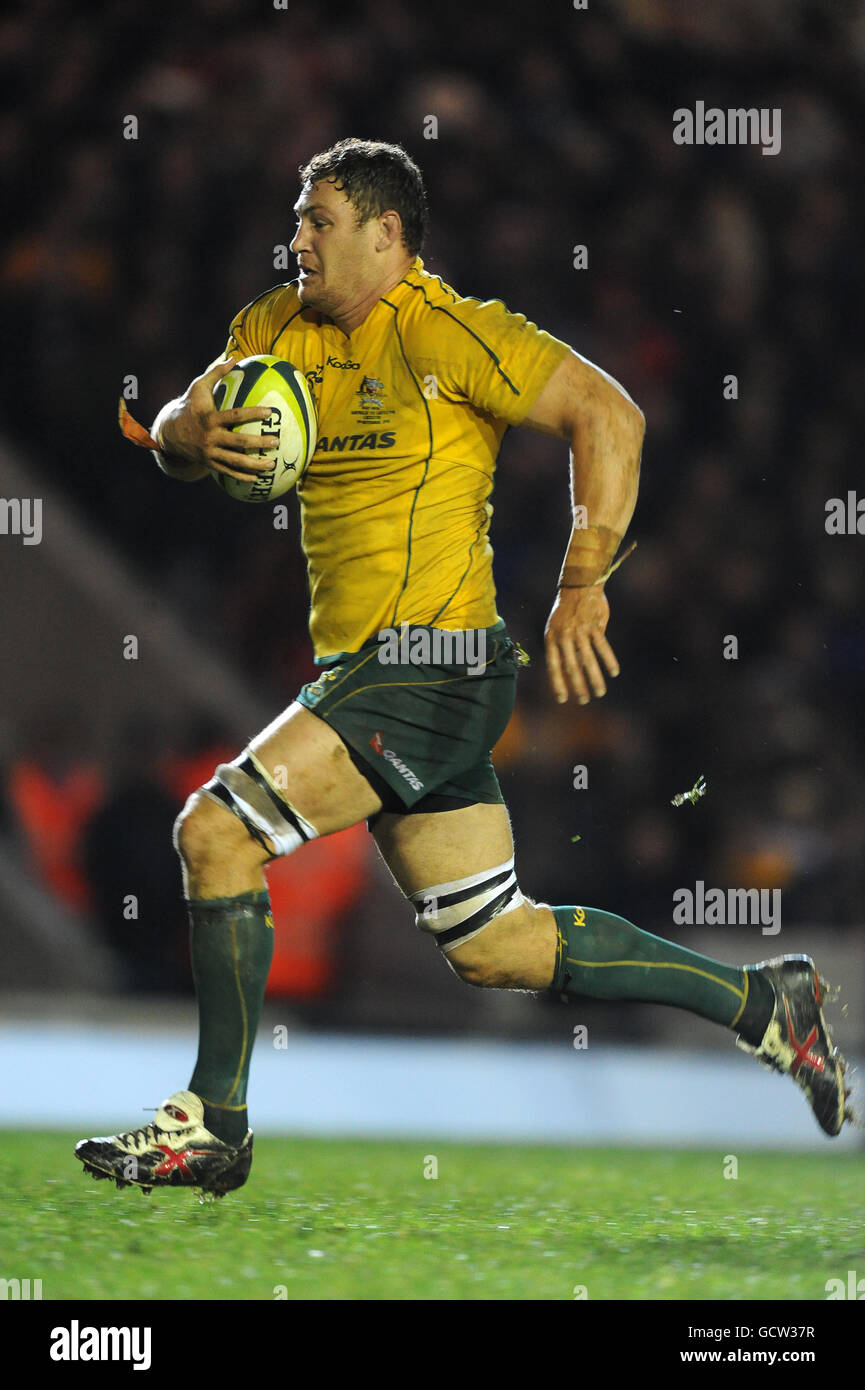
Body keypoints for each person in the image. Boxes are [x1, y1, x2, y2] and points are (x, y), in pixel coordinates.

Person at [76, 138, 851, 1197]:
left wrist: (582, 579)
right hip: (370, 673)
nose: (296, 237)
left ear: (386, 235)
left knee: (214, 830)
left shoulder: (451, 333)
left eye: (319, 221)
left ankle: (214, 1119)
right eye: (297, 219)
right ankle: (765, 1003)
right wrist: (186, 434)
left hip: (432, 664)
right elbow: (177, 422)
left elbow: (607, 412)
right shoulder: (274, 327)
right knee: (497, 944)